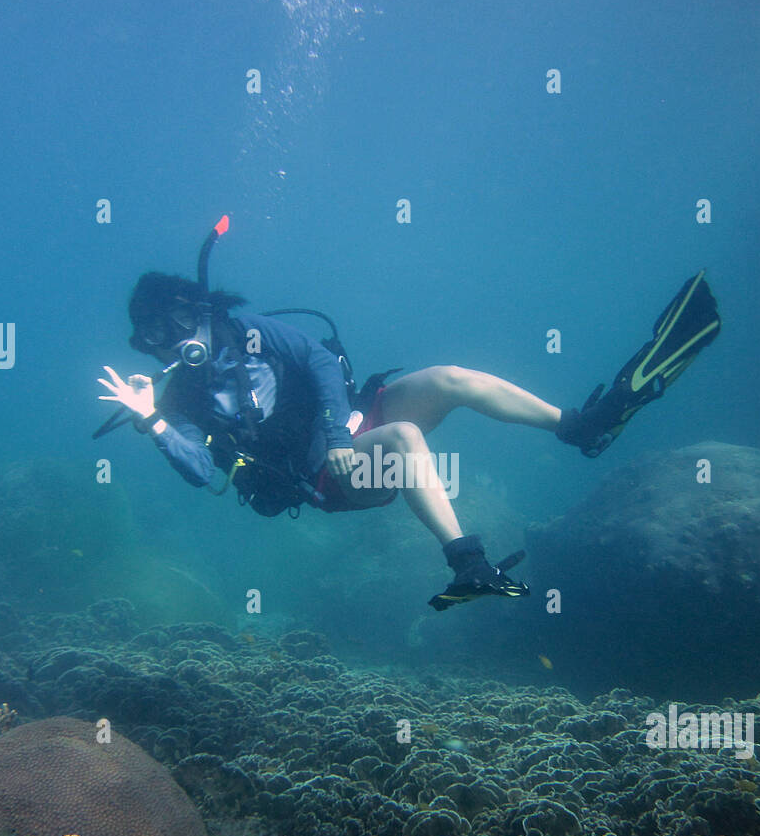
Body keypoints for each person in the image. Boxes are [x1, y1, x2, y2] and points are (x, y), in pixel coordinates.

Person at [98, 231, 720, 611]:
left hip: (347, 425)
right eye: (152, 337)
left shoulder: (250, 330)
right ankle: (467, 564)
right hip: (318, 480)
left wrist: (342, 433)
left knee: (451, 378)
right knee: (404, 439)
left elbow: (315, 358)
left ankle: (581, 427)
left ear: (199, 310)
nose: (170, 343)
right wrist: (154, 423)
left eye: (176, 323)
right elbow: (202, 472)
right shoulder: (178, 398)